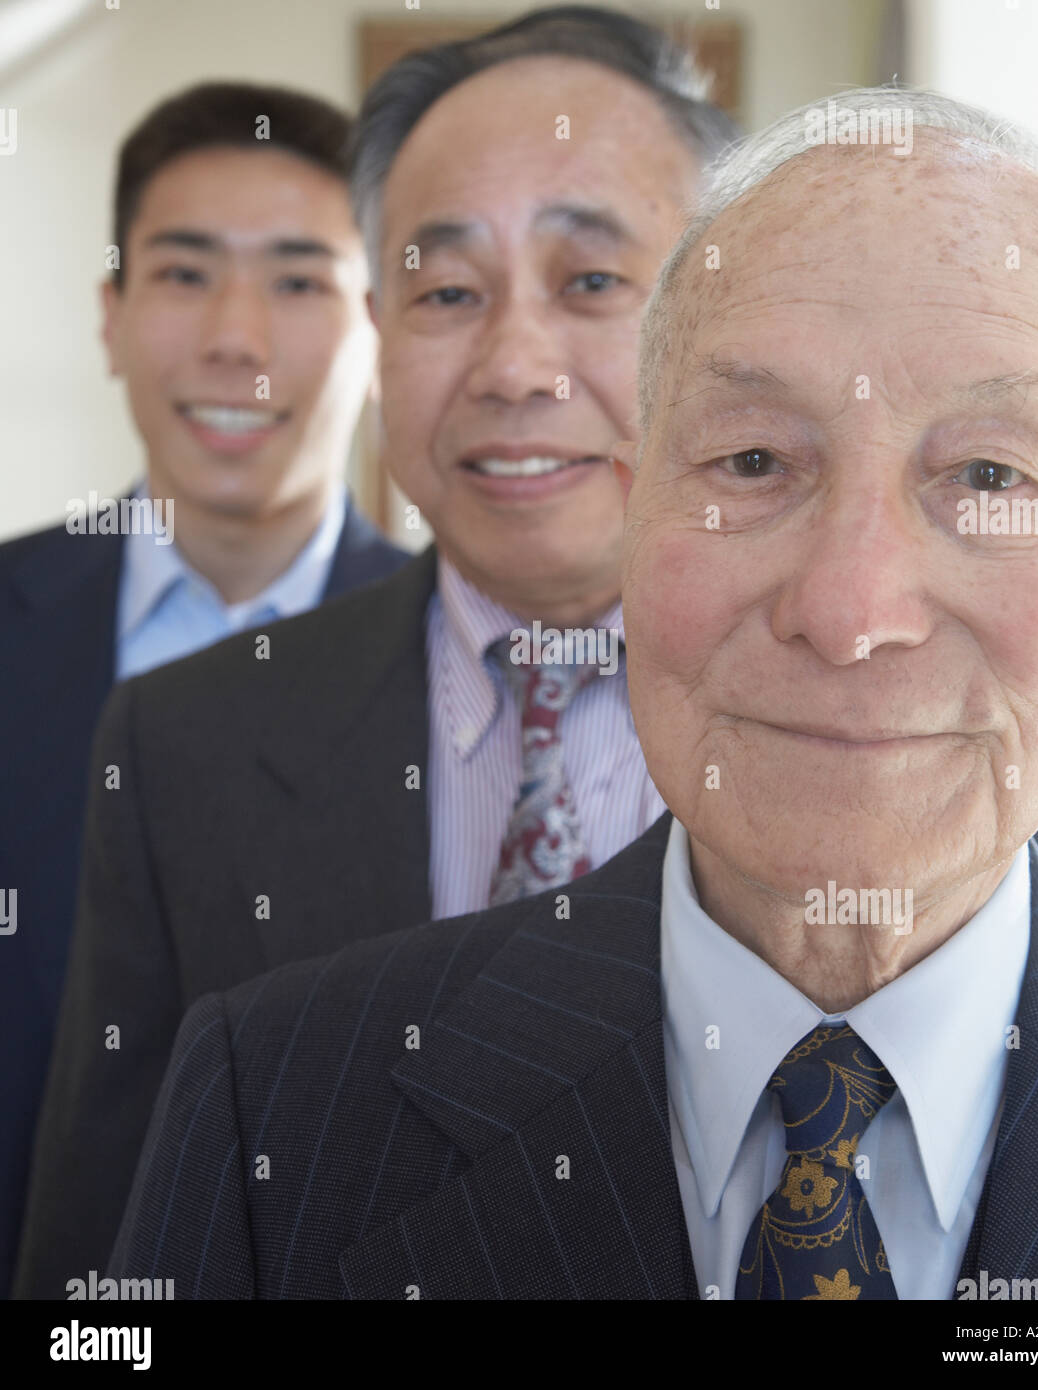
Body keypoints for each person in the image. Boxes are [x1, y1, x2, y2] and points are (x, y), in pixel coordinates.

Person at [108, 86, 1038, 1300]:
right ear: (634, 516)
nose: (850, 614)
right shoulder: (273, 1102)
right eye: (751, 461)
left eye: (987, 475)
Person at [13, 7, 740, 1299]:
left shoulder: (916, 696)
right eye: (446, 292)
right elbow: (106, 1262)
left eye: (588, 281)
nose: (514, 363)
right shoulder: (180, 743)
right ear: (383, 334)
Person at [0, 80, 407, 1296]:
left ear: (381, 327)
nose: (238, 337)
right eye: (184, 274)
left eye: (297, 280)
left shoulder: (473, 668)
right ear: (112, 315)